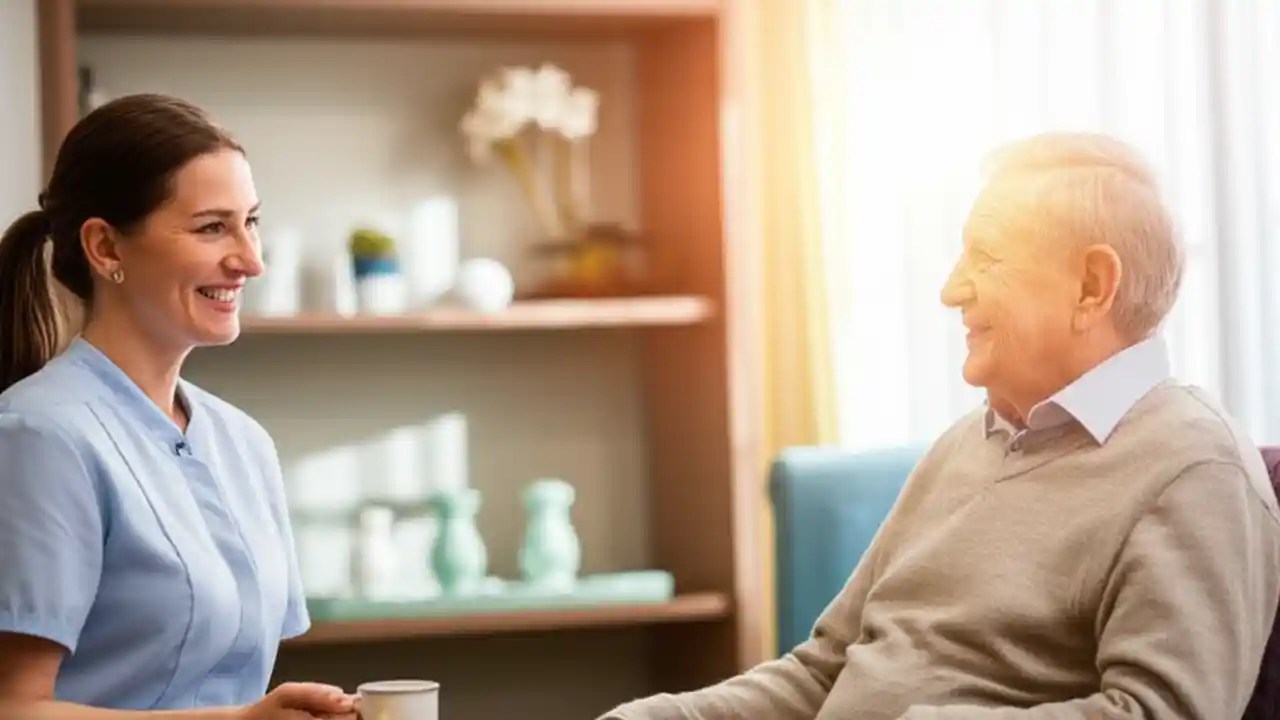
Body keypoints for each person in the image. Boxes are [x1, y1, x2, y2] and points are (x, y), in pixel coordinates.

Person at [601, 133, 1280, 719]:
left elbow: (1160, 714)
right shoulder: (968, 443)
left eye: (986, 259)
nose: (951, 290)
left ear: (1092, 286)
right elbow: (824, 672)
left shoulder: (1196, 471)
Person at [0, 94, 355, 719]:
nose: (251, 260)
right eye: (212, 227)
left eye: (251, 221)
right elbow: (14, 707)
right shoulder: (39, 436)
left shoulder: (244, 443)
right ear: (106, 248)